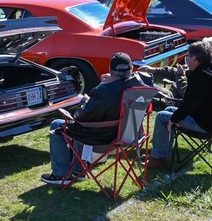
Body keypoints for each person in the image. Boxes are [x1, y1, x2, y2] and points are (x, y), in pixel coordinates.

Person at [40, 52, 153, 186]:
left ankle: (60, 174)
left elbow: (81, 116)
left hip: (105, 140)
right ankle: (77, 171)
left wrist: (87, 98)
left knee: (59, 124)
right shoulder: (143, 83)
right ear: (132, 69)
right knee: (81, 127)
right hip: (133, 136)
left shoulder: (104, 91)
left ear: (110, 70)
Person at [147, 40, 212, 170]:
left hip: (206, 126)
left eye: (187, 57)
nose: (186, 60)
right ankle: (161, 154)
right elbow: (192, 103)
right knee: (169, 109)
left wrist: (174, 119)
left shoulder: (201, 77)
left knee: (162, 117)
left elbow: (190, 104)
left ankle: (159, 159)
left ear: (194, 58)